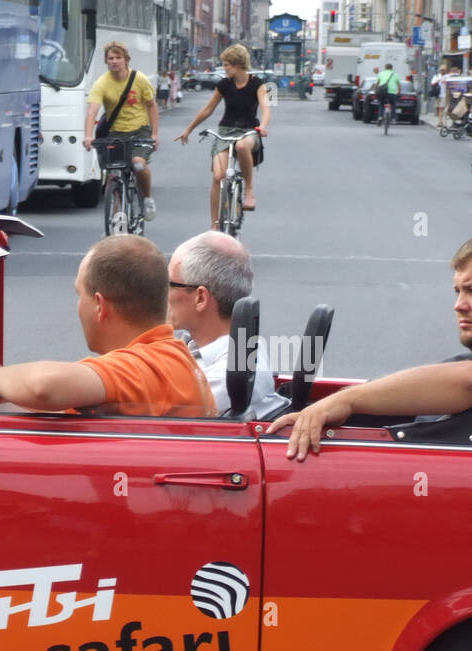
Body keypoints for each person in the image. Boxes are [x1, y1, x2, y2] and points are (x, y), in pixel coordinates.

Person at [0, 235, 216, 417]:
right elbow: (41, 406)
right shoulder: (163, 359)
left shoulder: (145, 368)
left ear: (99, 306)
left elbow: (43, 386)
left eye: (78, 294)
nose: (76, 305)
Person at [269, 239, 472, 460]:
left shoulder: (463, 377)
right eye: (458, 292)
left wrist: (344, 401)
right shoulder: (458, 365)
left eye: (471, 290)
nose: (459, 305)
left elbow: (466, 381)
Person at [166, 232, 282, 418]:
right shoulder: (243, 350)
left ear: (201, 298)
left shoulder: (221, 381)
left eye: (170, 283)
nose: (164, 292)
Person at [175, 43, 269, 220]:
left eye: (227, 64)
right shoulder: (224, 85)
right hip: (225, 130)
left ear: (239, 64)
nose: (224, 68)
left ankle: (249, 191)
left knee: (242, 147)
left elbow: (266, 108)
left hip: (248, 130)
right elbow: (208, 109)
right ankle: (215, 225)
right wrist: (189, 129)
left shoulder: (258, 84)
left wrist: (262, 126)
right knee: (218, 177)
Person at [82, 41, 159, 221]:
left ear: (126, 60)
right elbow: (92, 111)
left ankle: (147, 198)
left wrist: (154, 135)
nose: (114, 61)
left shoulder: (139, 79)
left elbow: (152, 106)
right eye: (111, 58)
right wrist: (87, 136)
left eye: (118, 58)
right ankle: (117, 220)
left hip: (139, 130)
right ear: (106, 61)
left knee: (138, 163)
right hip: (116, 134)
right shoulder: (102, 83)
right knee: (114, 174)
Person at [375, 62, 400, 127]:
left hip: (382, 93)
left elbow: (377, 84)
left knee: (381, 104)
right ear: (392, 68)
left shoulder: (380, 74)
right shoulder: (395, 74)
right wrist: (398, 92)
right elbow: (399, 85)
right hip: (392, 93)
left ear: (385, 68)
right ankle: (394, 118)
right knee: (393, 104)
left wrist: (376, 91)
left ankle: (380, 117)